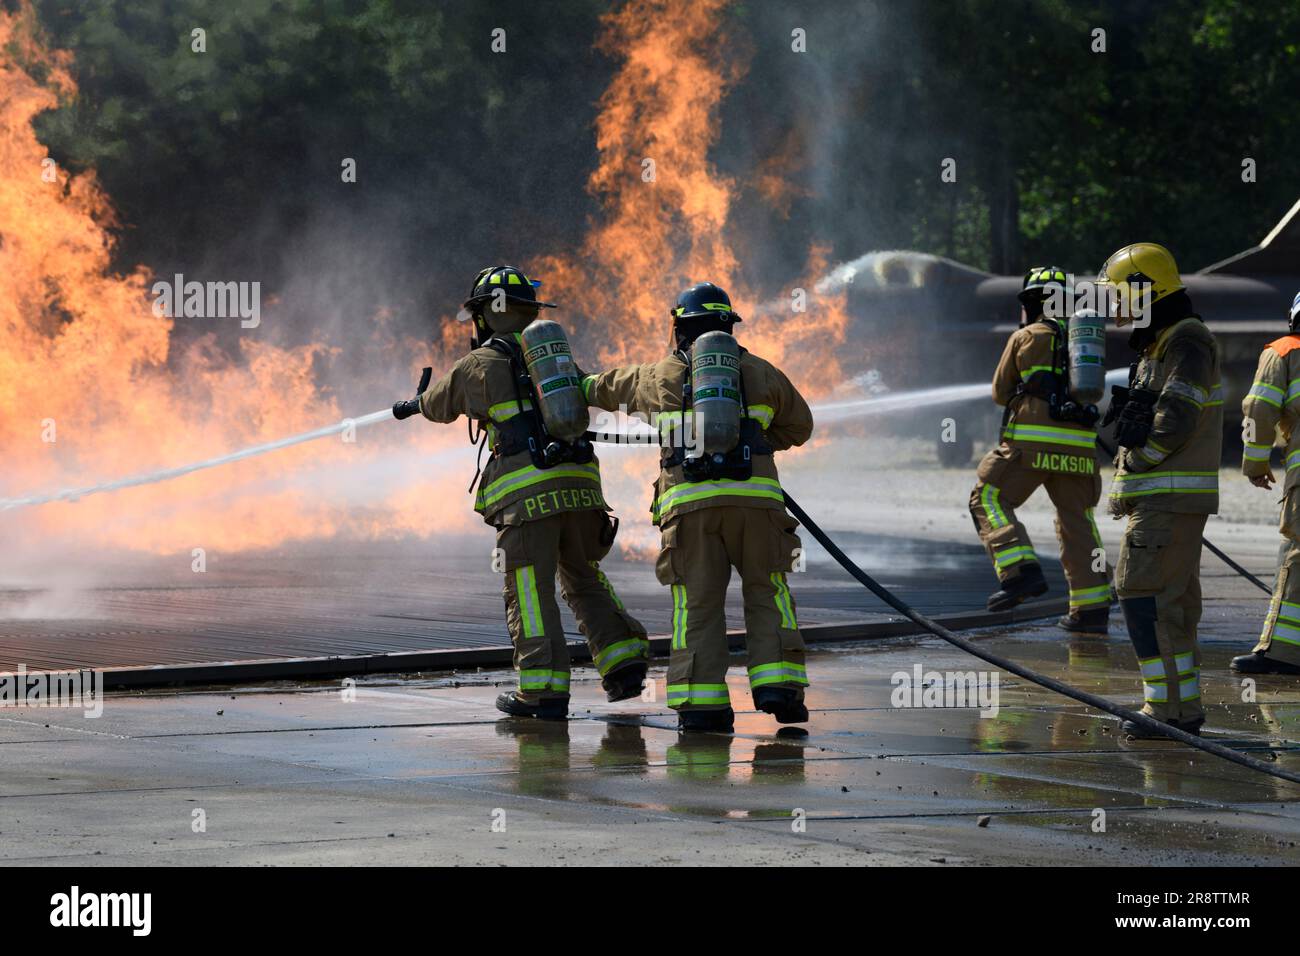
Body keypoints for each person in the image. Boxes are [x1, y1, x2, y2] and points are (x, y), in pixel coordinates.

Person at [392, 265, 648, 720]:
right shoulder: (555, 358)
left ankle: (542, 691)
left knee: (529, 590)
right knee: (582, 574)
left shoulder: (478, 365)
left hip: (528, 499)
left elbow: (440, 405)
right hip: (582, 489)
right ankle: (624, 661)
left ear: (486, 316)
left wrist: (412, 404)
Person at [581, 282, 814, 732]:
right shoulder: (762, 372)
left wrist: (577, 382)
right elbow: (800, 426)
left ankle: (701, 702)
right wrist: (758, 445)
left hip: (690, 510)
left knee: (697, 602)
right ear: (729, 326)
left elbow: (606, 388)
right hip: (757, 505)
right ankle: (779, 688)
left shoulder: (657, 377)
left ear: (679, 328)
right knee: (769, 591)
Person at [1100, 243, 1222, 737]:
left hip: (1166, 502)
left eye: (1122, 295)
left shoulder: (1185, 342)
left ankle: (1162, 712)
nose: (1117, 307)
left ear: (1147, 290)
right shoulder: (1167, 340)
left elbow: (1174, 422)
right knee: (1170, 602)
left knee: (1143, 597)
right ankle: (1180, 710)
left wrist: (1138, 464)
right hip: (1165, 501)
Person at [968, 266, 1111, 630]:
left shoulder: (1027, 336)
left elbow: (1001, 393)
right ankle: (1091, 609)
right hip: (1079, 451)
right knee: (1076, 520)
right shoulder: (1084, 342)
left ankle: (1019, 572)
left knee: (988, 498)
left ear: (1030, 304)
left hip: (1031, 446)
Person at [1233, 290, 1300, 676]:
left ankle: (1284, 654)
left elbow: (1259, 407)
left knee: (1296, 556)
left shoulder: (1284, 351)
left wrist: (1255, 463)